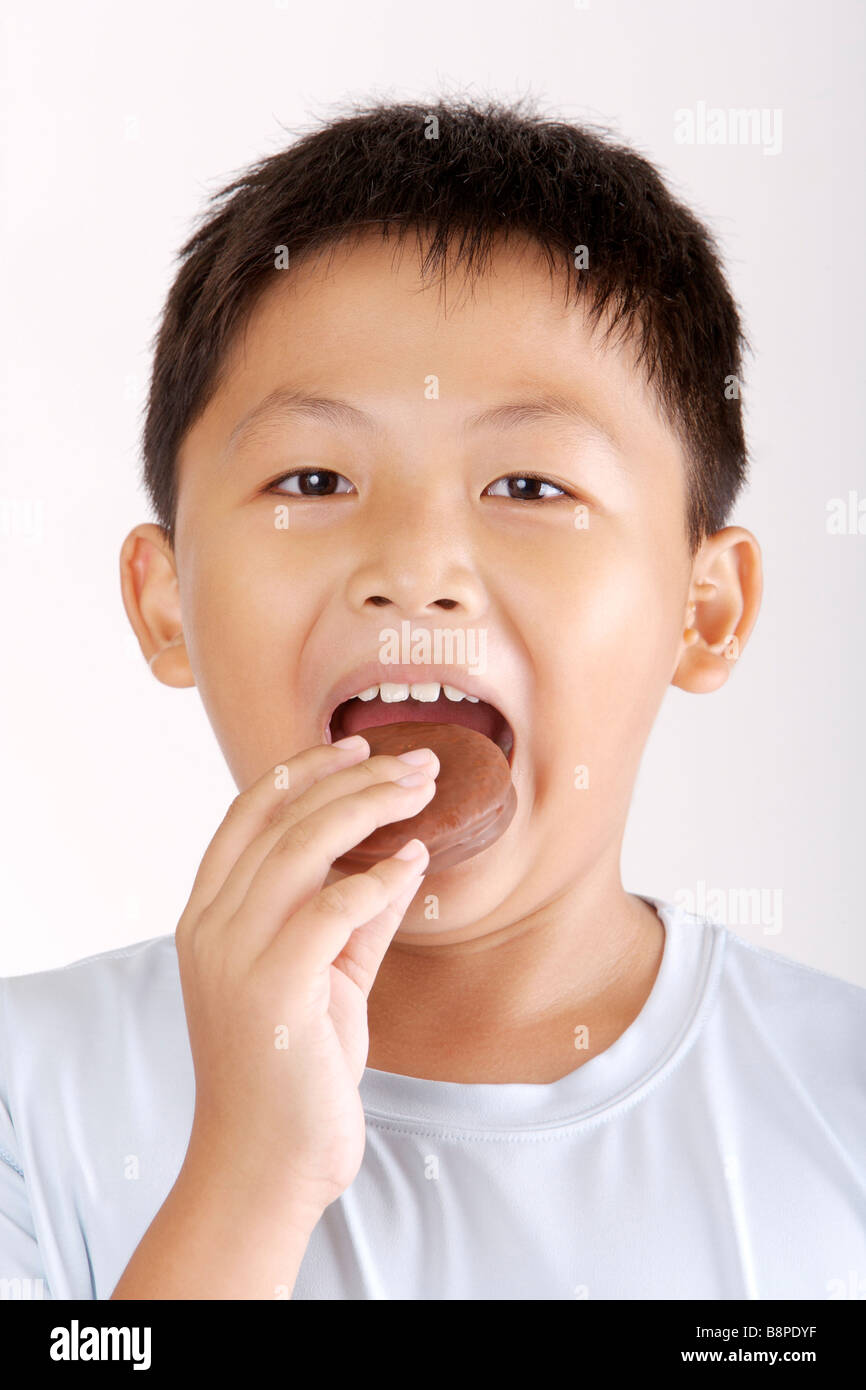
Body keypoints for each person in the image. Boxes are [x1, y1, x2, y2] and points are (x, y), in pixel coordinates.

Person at [1, 98, 863, 1301]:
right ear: (165, 603)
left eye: (528, 482)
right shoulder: (26, 1095)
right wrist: (248, 1174)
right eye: (313, 476)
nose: (414, 569)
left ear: (703, 610)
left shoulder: (838, 1104)